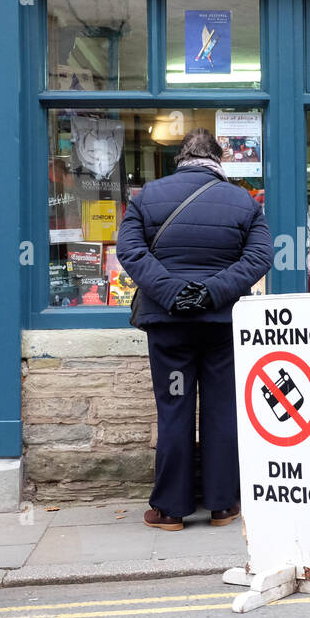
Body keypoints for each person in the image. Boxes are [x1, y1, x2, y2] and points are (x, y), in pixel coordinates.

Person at [117, 128, 273, 531]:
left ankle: (170, 510)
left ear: (180, 159)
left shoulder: (146, 197)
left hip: (169, 326)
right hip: (221, 324)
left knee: (174, 409)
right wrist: (210, 294)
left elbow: (130, 251)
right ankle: (224, 505)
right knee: (222, 410)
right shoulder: (243, 201)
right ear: (219, 160)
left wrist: (174, 294)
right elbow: (259, 257)